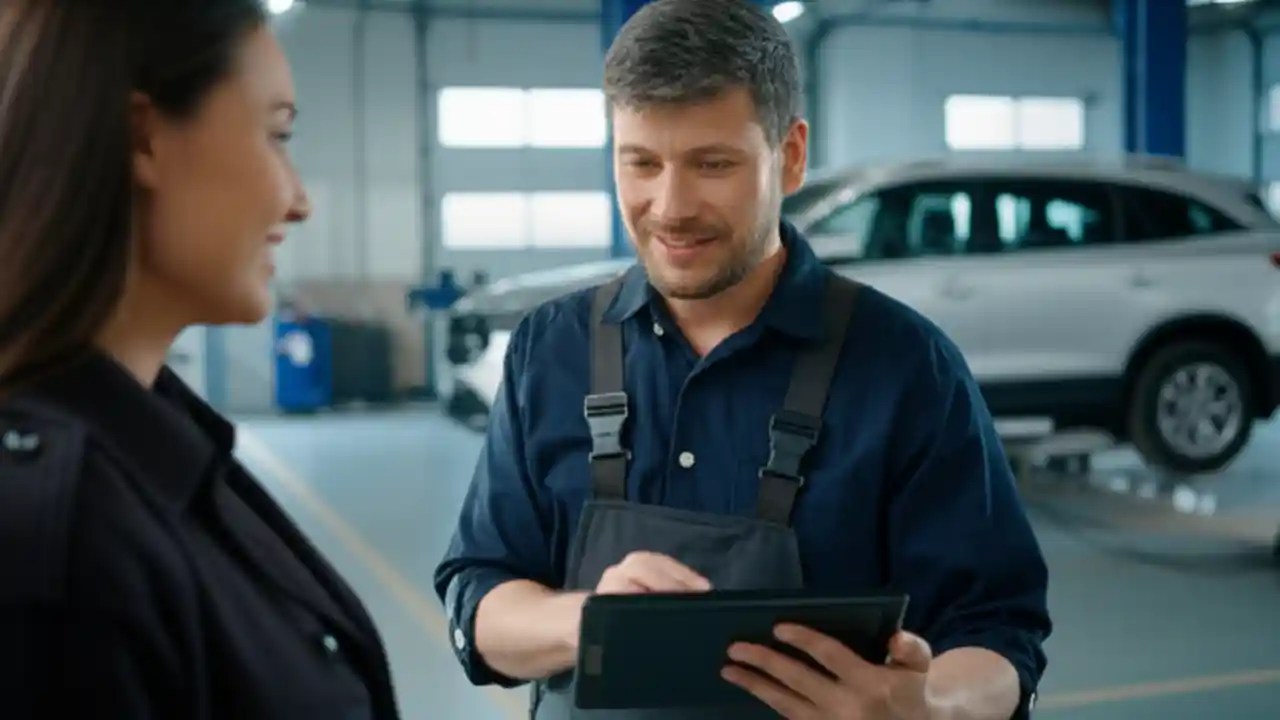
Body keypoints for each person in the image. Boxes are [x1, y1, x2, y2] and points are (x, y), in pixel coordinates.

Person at [435, 0, 1052, 718]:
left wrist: (934, 709)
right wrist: (588, 619)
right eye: (641, 163)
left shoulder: (908, 368)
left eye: (713, 165)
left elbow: (996, 632)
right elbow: (480, 594)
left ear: (790, 156)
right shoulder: (550, 350)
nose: (671, 206)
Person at [0, 1, 400, 718]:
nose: (298, 201)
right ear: (144, 138)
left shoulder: (156, 449)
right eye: (276, 135)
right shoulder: (51, 539)